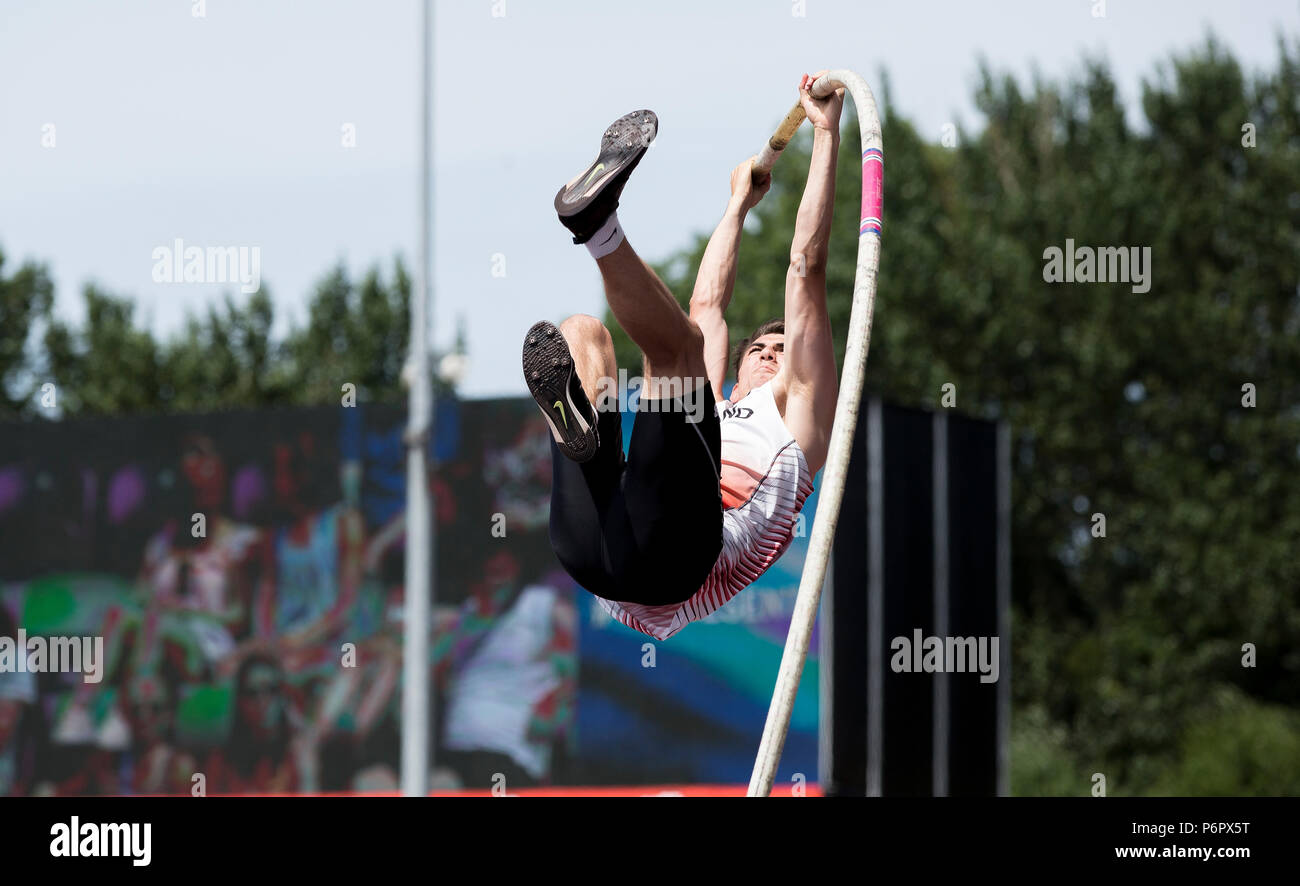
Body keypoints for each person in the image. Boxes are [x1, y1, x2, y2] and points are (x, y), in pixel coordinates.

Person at [524, 72, 844, 640]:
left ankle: (598, 229)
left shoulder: (800, 420)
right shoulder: (712, 412)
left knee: (679, 357)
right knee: (582, 334)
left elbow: (806, 268)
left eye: (781, 350)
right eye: (761, 349)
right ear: (740, 367)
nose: (772, 356)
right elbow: (707, 302)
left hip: (678, 560)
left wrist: (825, 135)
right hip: (598, 548)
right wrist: (737, 207)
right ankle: (583, 436)